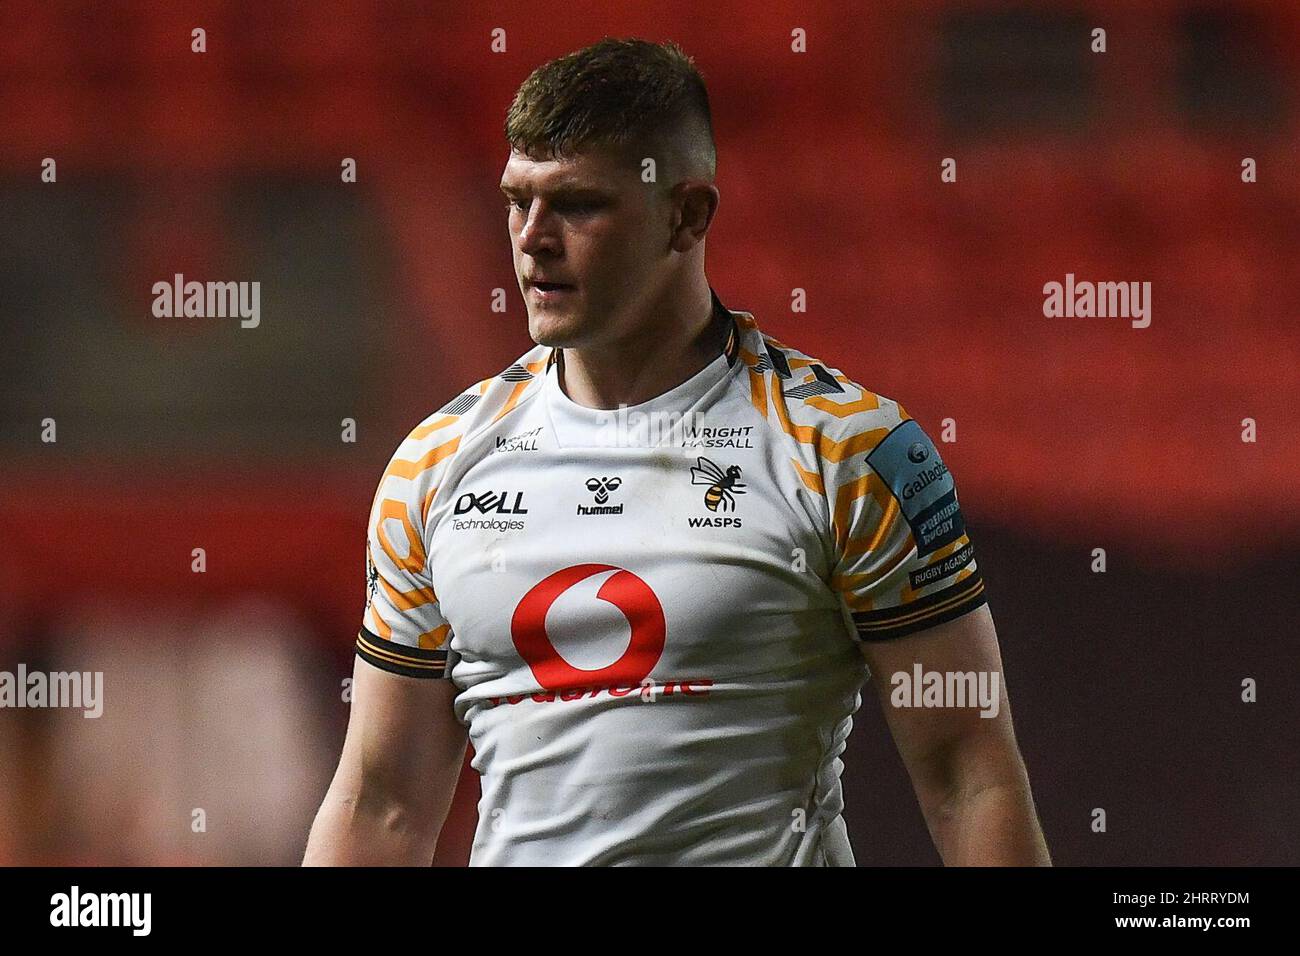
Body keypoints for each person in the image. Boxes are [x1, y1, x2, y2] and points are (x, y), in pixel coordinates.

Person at [304, 37, 1050, 866]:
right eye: (518, 201)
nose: (533, 239)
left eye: (579, 204)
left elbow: (968, 774)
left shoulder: (849, 453)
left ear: (688, 213)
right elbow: (382, 802)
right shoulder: (435, 467)